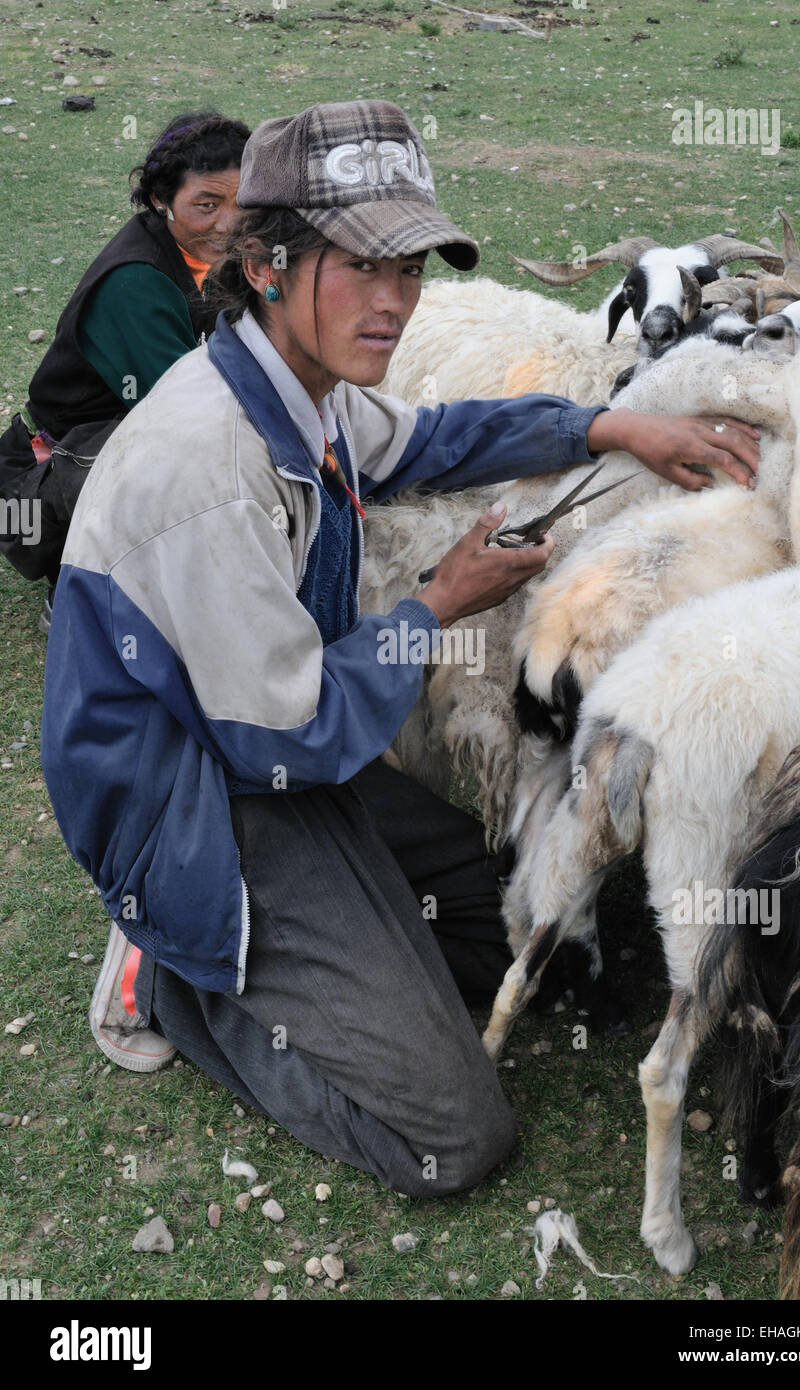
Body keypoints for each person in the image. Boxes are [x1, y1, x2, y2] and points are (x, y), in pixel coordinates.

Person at [41, 101, 761, 1195]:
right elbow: (296, 732)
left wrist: (612, 426)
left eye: (409, 266)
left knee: (532, 925)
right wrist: (436, 601)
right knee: (454, 1138)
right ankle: (178, 986)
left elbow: (433, 438)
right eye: (358, 266)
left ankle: (343, 960)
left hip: (265, 740)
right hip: (194, 794)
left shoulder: (304, 392)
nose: (395, 301)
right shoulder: (203, 470)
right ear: (269, 265)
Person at [0, 110, 249, 625]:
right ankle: (84, 588)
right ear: (162, 200)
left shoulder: (203, 254)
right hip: (38, 484)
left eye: (242, 203)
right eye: (207, 204)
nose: (229, 223)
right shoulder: (135, 282)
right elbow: (188, 415)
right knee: (196, 451)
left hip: (79, 454)